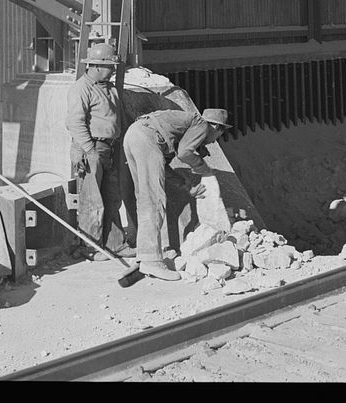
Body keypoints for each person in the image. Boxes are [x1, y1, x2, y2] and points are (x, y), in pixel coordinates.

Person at [123, 99, 232, 280]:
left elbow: (163, 168)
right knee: (154, 201)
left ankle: (144, 255)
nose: (213, 142)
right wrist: (203, 168)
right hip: (147, 138)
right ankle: (151, 261)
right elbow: (184, 153)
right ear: (216, 127)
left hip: (133, 135)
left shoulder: (178, 129)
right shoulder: (201, 124)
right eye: (218, 135)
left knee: (145, 199)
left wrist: (186, 185)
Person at [65, 43, 134, 261]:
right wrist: (89, 150)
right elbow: (75, 123)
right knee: (92, 200)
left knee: (112, 198)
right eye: (109, 66)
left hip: (109, 149)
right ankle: (90, 248)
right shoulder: (81, 88)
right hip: (91, 149)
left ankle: (115, 244)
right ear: (95, 66)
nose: (112, 70)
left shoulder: (109, 89)